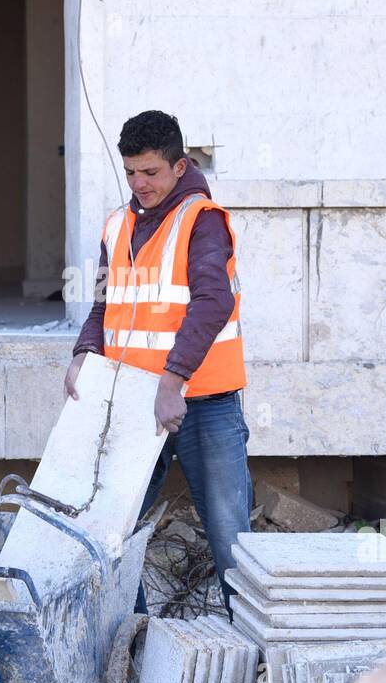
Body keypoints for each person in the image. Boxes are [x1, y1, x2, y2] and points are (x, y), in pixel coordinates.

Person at [64, 109, 253, 617]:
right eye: (130, 172)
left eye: (150, 172)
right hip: (132, 401)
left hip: (202, 402)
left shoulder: (201, 221)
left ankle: (255, 668)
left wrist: (174, 381)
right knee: (108, 529)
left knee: (231, 539)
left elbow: (214, 303)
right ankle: (136, 646)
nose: (139, 183)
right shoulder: (117, 225)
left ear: (179, 165)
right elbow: (103, 303)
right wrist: (84, 353)